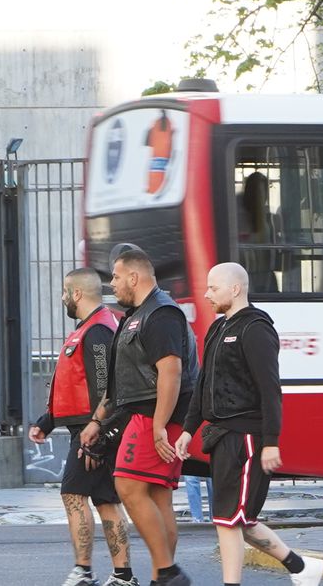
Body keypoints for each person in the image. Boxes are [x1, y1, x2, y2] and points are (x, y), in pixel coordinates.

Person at [175, 262, 323, 586]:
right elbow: (204, 385)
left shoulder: (256, 328)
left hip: (245, 437)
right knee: (240, 519)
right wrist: (189, 429)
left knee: (228, 520)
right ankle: (301, 568)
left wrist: (271, 441)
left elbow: (270, 388)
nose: (205, 294)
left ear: (235, 289)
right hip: (221, 436)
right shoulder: (217, 329)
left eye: (212, 288)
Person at [82, 248, 198, 586]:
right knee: (156, 494)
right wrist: (97, 420)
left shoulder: (160, 313)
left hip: (156, 415)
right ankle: (163, 576)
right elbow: (122, 380)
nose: (112, 284)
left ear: (135, 277)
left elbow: (171, 371)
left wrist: (160, 424)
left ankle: (167, 573)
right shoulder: (137, 314)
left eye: (116, 277)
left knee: (128, 485)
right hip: (147, 413)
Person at [28, 268, 138, 586]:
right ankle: (122, 576)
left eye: (65, 292)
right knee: (105, 499)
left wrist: (99, 434)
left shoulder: (98, 331)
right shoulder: (88, 328)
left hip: (93, 433)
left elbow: (105, 389)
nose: (62, 298)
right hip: (88, 429)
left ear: (76, 294)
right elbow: (74, 384)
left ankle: (84, 571)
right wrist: (46, 424)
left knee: (73, 495)